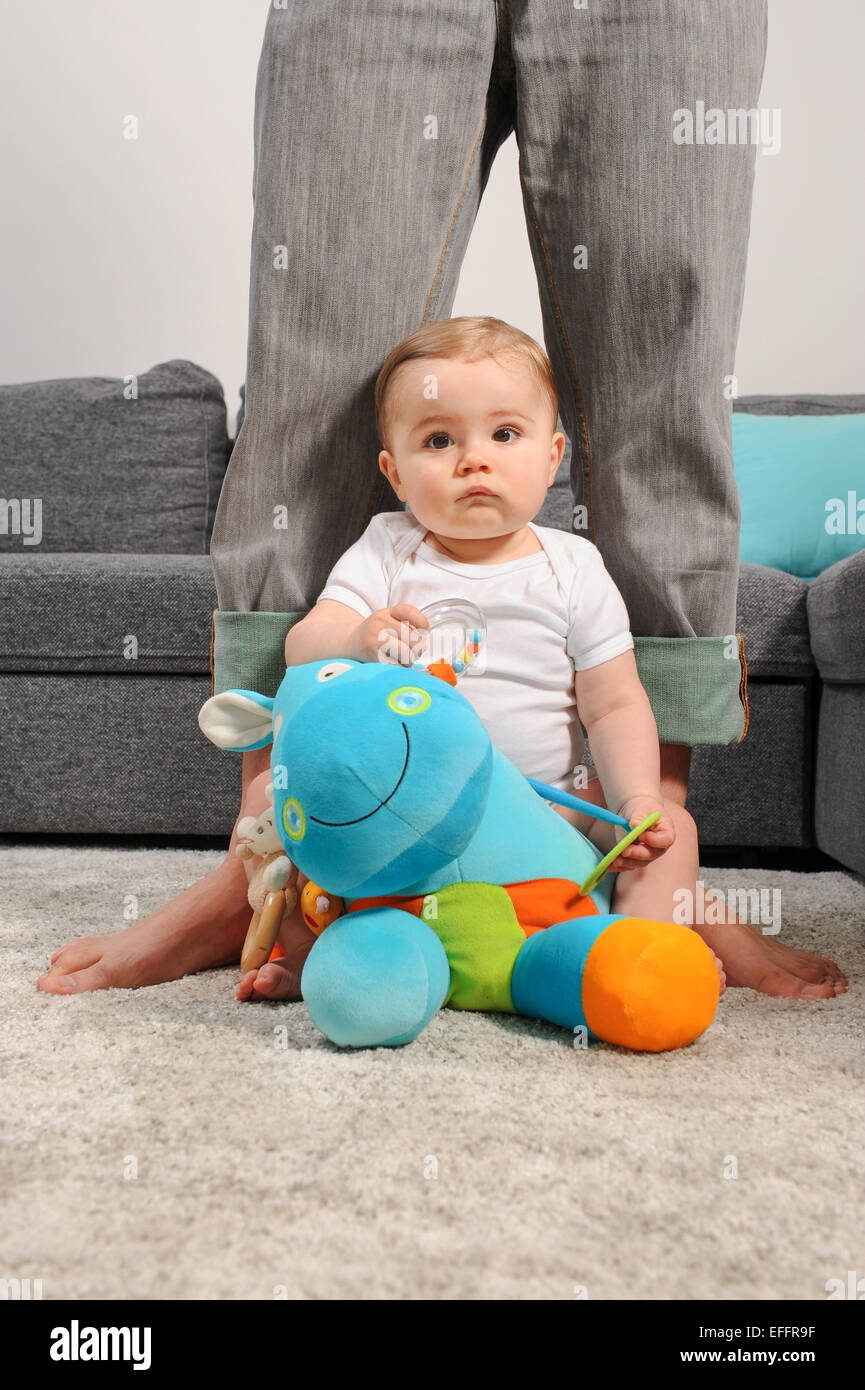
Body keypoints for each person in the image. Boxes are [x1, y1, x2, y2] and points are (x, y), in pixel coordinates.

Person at [38, 0, 845, 1001]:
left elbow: (608, 687)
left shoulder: (566, 570)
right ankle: (275, 871)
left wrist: (638, 804)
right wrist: (355, 636)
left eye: (505, 437)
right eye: (437, 443)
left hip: (569, 807)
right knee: (322, 353)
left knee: (658, 352)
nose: (473, 463)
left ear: (542, 455)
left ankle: (653, 870)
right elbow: (319, 624)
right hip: (353, 777)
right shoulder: (384, 552)